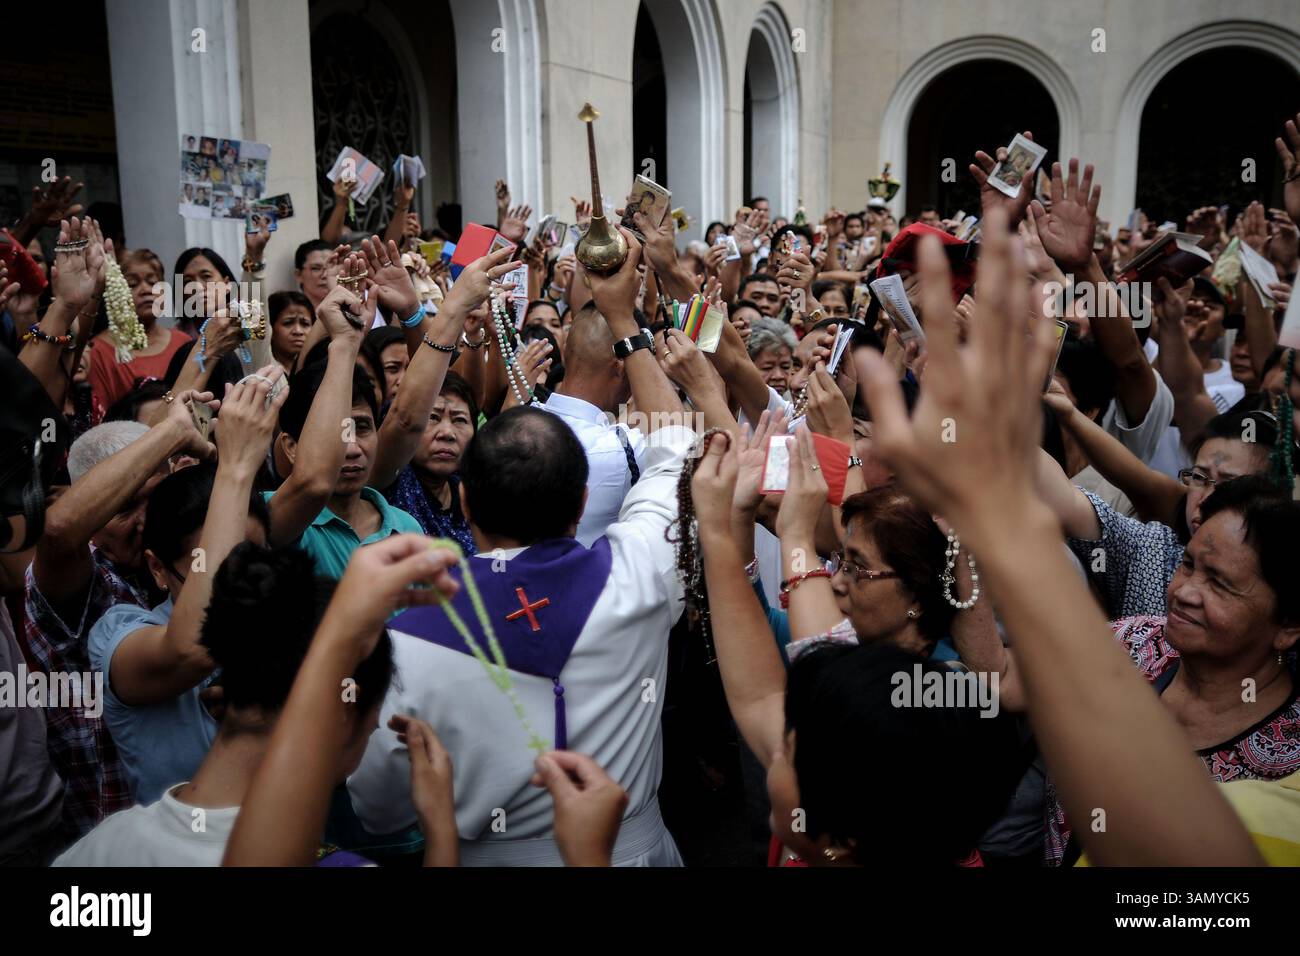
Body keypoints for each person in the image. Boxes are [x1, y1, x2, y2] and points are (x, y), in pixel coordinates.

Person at [347, 228, 695, 865]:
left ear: (468, 505)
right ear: (584, 502)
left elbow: (378, 807)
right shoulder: (638, 573)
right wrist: (624, 319)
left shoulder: (408, 637)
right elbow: (677, 451)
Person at [55, 542, 401, 866]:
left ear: (221, 697)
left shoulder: (103, 845)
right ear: (341, 713)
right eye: (374, 712)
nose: (374, 726)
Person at [87, 369, 285, 803]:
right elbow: (193, 646)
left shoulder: (289, 628)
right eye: (209, 569)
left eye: (255, 563)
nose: (243, 591)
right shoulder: (119, 635)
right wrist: (234, 467)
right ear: (157, 569)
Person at [24, 404, 214, 838]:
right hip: (110, 835)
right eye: (126, 506)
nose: (147, 522)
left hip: (199, 827)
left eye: (158, 497)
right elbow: (57, 531)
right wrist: (173, 430)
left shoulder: (175, 557)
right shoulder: (78, 580)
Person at [538, 302, 646, 546]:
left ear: (566, 350)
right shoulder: (623, 449)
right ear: (621, 366)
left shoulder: (516, 421)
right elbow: (678, 439)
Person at [385, 371, 480, 554]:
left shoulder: (473, 496)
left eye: (459, 420)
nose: (447, 433)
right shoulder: (389, 478)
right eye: (432, 417)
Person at [87, 249, 191, 411]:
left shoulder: (183, 342)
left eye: (153, 282)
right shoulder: (99, 351)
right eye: (132, 284)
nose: (146, 290)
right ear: (114, 292)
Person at [747, 317, 796, 400]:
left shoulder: (798, 405)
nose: (778, 376)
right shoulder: (733, 406)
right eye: (767, 368)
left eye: (785, 367)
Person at [268, 290, 315, 372]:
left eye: (305, 324)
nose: (298, 331)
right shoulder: (262, 366)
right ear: (271, 328)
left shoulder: (319, 371)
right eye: (288, 323)